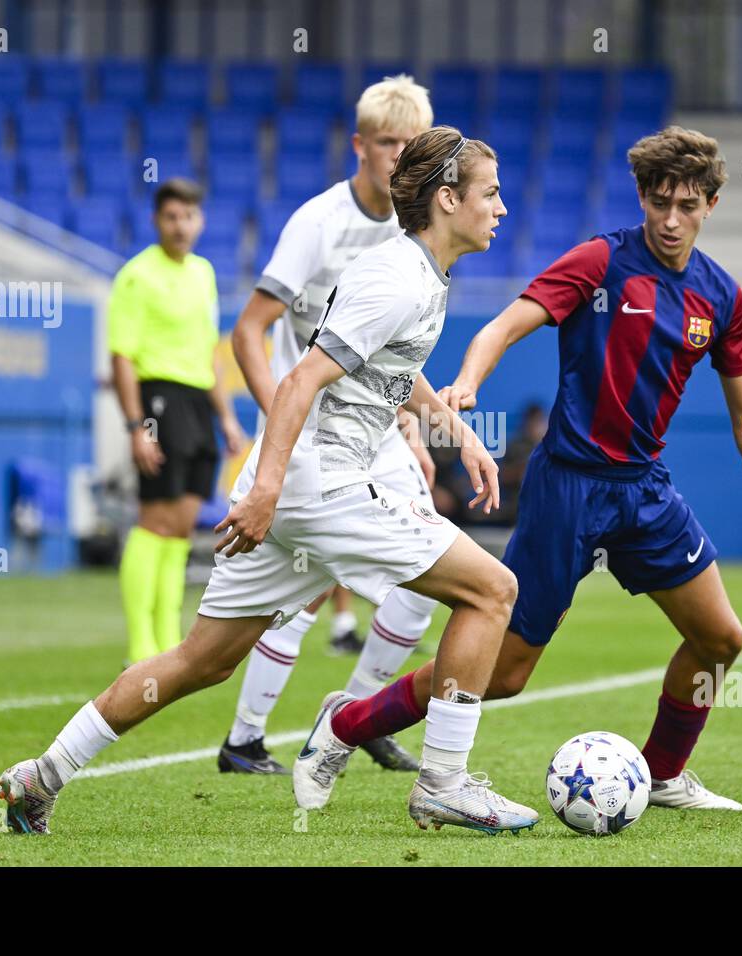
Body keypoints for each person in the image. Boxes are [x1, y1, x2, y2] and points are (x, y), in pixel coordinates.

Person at [0, 126, 540, 836]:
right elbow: (299, 383)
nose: (501, 208)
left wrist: (457, 432)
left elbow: (388, 370)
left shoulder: (417, 273)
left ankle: (41, 777)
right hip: (322, 487)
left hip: (297, 490)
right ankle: (444, 783)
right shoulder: (399, 278)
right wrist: (269, 488)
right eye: (490, 194)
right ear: (446, 199)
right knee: (493, 590)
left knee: (200, 661)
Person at [295, 126, 742, 813]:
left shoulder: (721, 296)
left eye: (688, 205)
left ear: (712, 203)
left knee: (720, 638)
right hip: (568, 486)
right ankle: (345, 722)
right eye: (659, 203)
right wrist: (467, 382)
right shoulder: (600, 261)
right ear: (644, 199)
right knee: (502, 676)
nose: (672, 219)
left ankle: (663, 774)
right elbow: (504, 325)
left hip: (645, 490)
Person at [221, 74, 436, 775]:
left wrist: (417, 429)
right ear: (359, 145)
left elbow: (387, 352)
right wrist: (277, 426)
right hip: (314, 435)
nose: (398, 156)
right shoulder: (318, 223)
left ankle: (362, 715)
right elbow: (249, 330)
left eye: (411, 144)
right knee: (303, 584)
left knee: (422, 583)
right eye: (386, 142)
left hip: (375, 434)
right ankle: (246, 736)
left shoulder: (416, 232)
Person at [107, 178, 246, 665]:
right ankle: (139, 642)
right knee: (155, 521)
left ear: (200, 221)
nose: (180, 225)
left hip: (197, 405)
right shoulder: (135, 276)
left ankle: (167, 637)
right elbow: (121, 357)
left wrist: (226, 416)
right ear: (156, 221)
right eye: (171, 217)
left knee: (183, 524)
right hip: (159, 398)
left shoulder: (203, 273)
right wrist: (136, 426)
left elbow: (210, 351)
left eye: (188, 216)